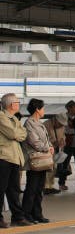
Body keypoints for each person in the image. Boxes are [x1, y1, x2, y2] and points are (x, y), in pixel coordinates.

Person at [0, 93, 32, 227]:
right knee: (1, 188)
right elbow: (13, 134)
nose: (19, 104)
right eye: (18, 102)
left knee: (14, 189)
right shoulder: (2, 116)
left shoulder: (14, 118)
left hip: (14, 157)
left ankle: (18, 217)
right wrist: (17, 134)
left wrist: (17, 134)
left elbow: (24, 134)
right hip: (3, 157)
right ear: (11, 104)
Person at [22, 99, 54, 224]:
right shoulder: (29, 123)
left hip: (42, 160)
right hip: (35, 160)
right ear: (37, 109)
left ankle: (37, 213)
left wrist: (50, 145)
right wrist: (47, 148)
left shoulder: (38, 123)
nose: (44, 110)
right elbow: (34, 141)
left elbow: (45, 140)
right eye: (43, 108)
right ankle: (27, 213)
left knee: (39, 188)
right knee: (31, 188)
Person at [57, 100, 75, 191]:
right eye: (74, 107)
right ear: (69, 108)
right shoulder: (64, 117)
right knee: (64, 163)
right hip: (66, 142)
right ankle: (62, 183)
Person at [43, 112, 67, 195]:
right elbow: (42, 138)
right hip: (47, 150)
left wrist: (62, 141)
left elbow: (63, 136)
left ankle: (50, 186)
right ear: (56, 120)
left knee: (54, 168)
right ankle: (45, 187)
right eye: (60, 124)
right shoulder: (46, 124)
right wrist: (53, 143)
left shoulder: (62, 127)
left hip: (57, 150)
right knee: (47, 169)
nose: (61, 125)